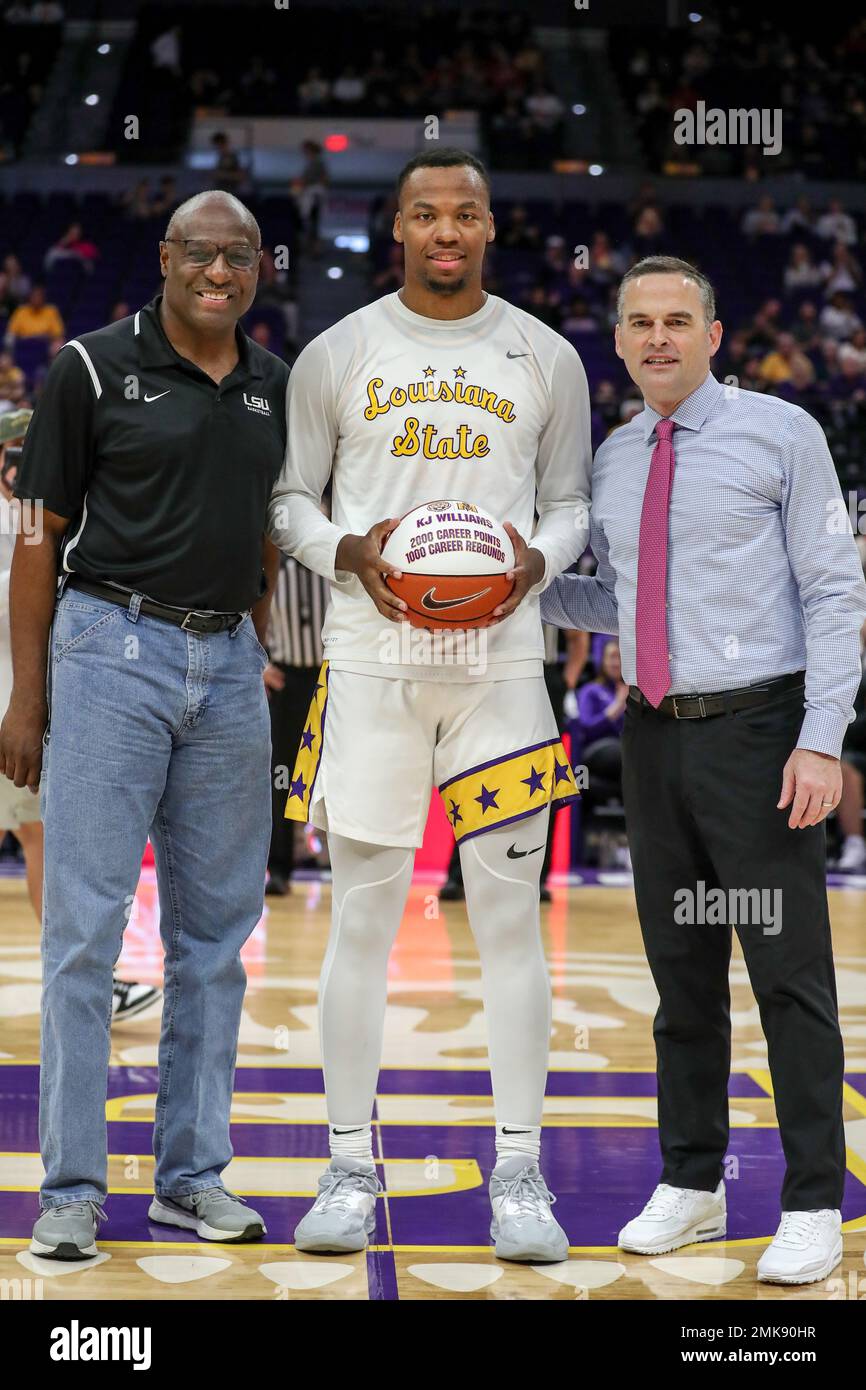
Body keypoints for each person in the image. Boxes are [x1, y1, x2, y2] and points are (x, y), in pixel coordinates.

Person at [268, 147, 591, 1262]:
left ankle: (518, 1172)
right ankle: (349, 1164)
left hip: (501, 668)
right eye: (423, 214)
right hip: (369, 662)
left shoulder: (543, 354)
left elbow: (569, 504)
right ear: (394, 226)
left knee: (507, 921)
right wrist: (350, 550)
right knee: (359, 919)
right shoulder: (336, 351)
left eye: (463, 213)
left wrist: (530, 566)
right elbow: (287, 501)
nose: (444, 230)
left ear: (489, 225)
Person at [541, 254, 866, 1285]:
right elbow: (618, 604)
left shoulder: (781, 435)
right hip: (650, 735)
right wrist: (516, 587)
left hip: (757, 735)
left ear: (714, 333)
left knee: (788, 980)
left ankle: (812, 1197)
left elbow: (832, 594)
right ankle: (690, 1182)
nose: (656, 338)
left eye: (676, 319)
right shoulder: (617, 455)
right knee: (680, 981)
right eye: (637, 322)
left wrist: (819, 737)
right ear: (620, 338)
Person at [0, 189, 289, 1262]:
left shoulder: (273, 384)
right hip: (107, 649)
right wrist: (27, 696)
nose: (220, 272)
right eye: (201, 254)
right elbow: (38, 537)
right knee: (82, 936)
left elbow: (265, 531)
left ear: (260, 267)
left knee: (214, 945)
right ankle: (71, 1190)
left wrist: (259, 648)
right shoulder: (84, 370)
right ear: (166, 257)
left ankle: (189, 1178)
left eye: (240, 257)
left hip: (226, 668)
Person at [0, 433, 160, 1020]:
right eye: (12, 453)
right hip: (15, 706)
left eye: (27, 451)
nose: (21, 464)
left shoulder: (57, 519)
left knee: (43, 837)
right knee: (44, 838)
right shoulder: (29, 527)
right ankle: (88, 982)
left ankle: (87, 979)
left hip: (42, 702)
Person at [263, 551, 329, 895]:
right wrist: (259, 663)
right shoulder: (272, 562)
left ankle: (333, 857)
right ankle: (279, 868)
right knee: (282, 776)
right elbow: (248, 610)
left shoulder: (334, 565)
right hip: (286, 680)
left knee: (337, 772)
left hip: (329, 677)